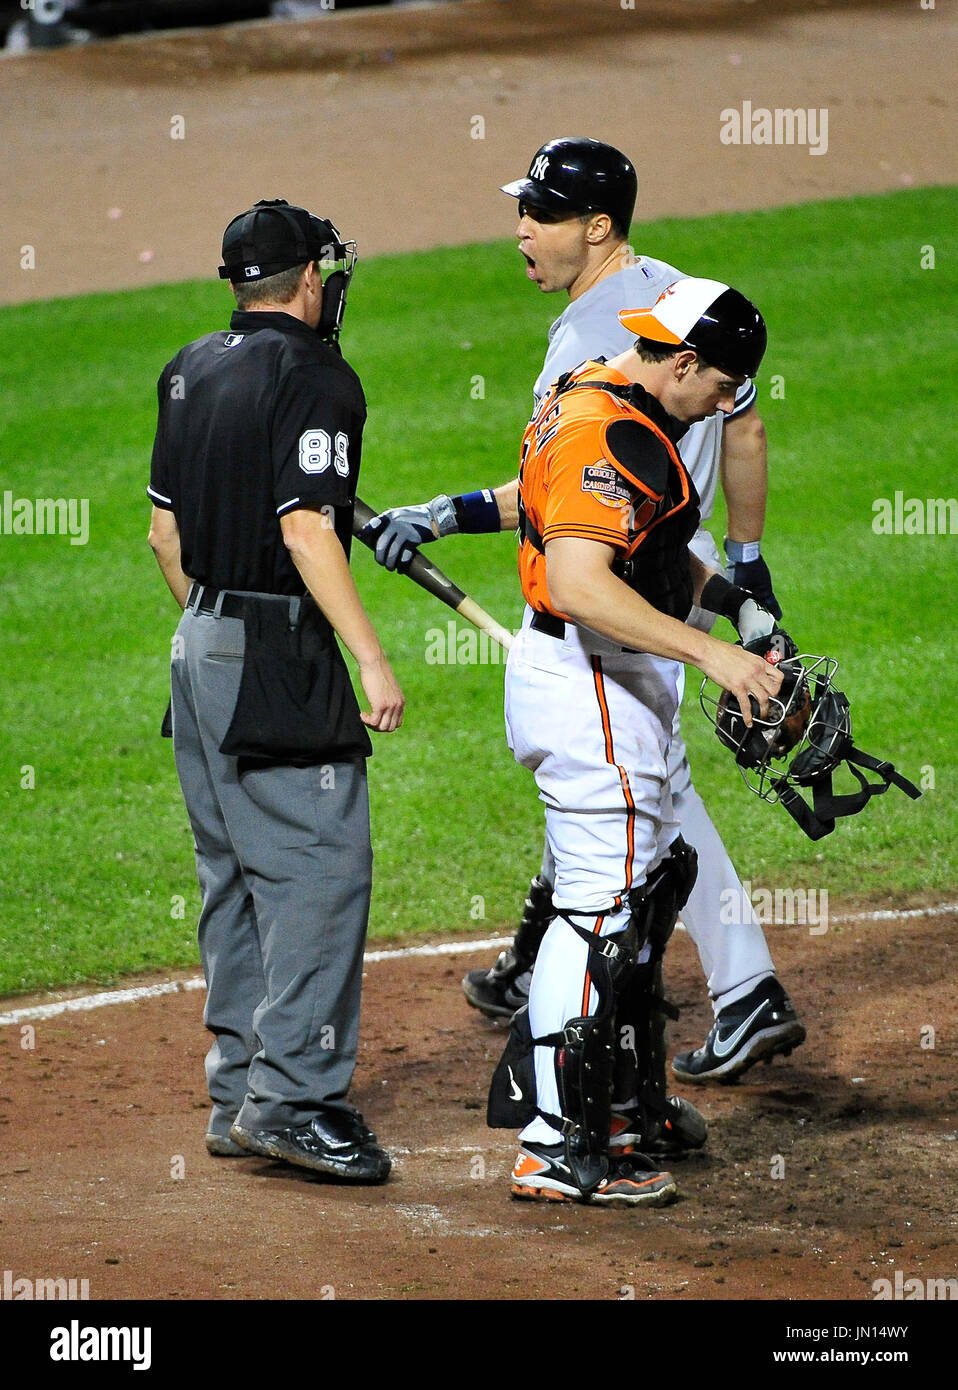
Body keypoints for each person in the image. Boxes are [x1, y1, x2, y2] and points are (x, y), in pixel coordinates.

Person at [363, 139, 804, 1106]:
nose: (521, 226)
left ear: (596, 226)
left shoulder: (597, 347)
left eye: (541, 211)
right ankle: (613, 1001)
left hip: (617, 618)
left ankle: (574, 1078)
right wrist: (745, 573)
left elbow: (558, 505)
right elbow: (745, 434)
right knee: (626, 814)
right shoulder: (687, 296)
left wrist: (441, 511)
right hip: (650, 596)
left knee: (641, 822)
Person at [487, 276, 785, 1204]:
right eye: (722, 386)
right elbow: (580, 581)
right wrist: (715, 659)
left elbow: (644, 546)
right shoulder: (607, 431)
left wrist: (735, 608)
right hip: (591, 683)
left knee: (646, 903)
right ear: (684, 360)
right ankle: (554, 1141)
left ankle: (626, 1105)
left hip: (610, 677)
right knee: (597, 914)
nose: (725, 405)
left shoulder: (600, 392)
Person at [147, 198, 404, 1183]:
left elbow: (165, 539)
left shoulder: (190, 366)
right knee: (318, 871)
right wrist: (368, 657)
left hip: (199, 641)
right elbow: (308, 533)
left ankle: (240, 1092)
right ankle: (292, 1100)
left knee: (234, 874)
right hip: (270, 652)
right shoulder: (316, 375)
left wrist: (213, 626)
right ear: (308, 279)